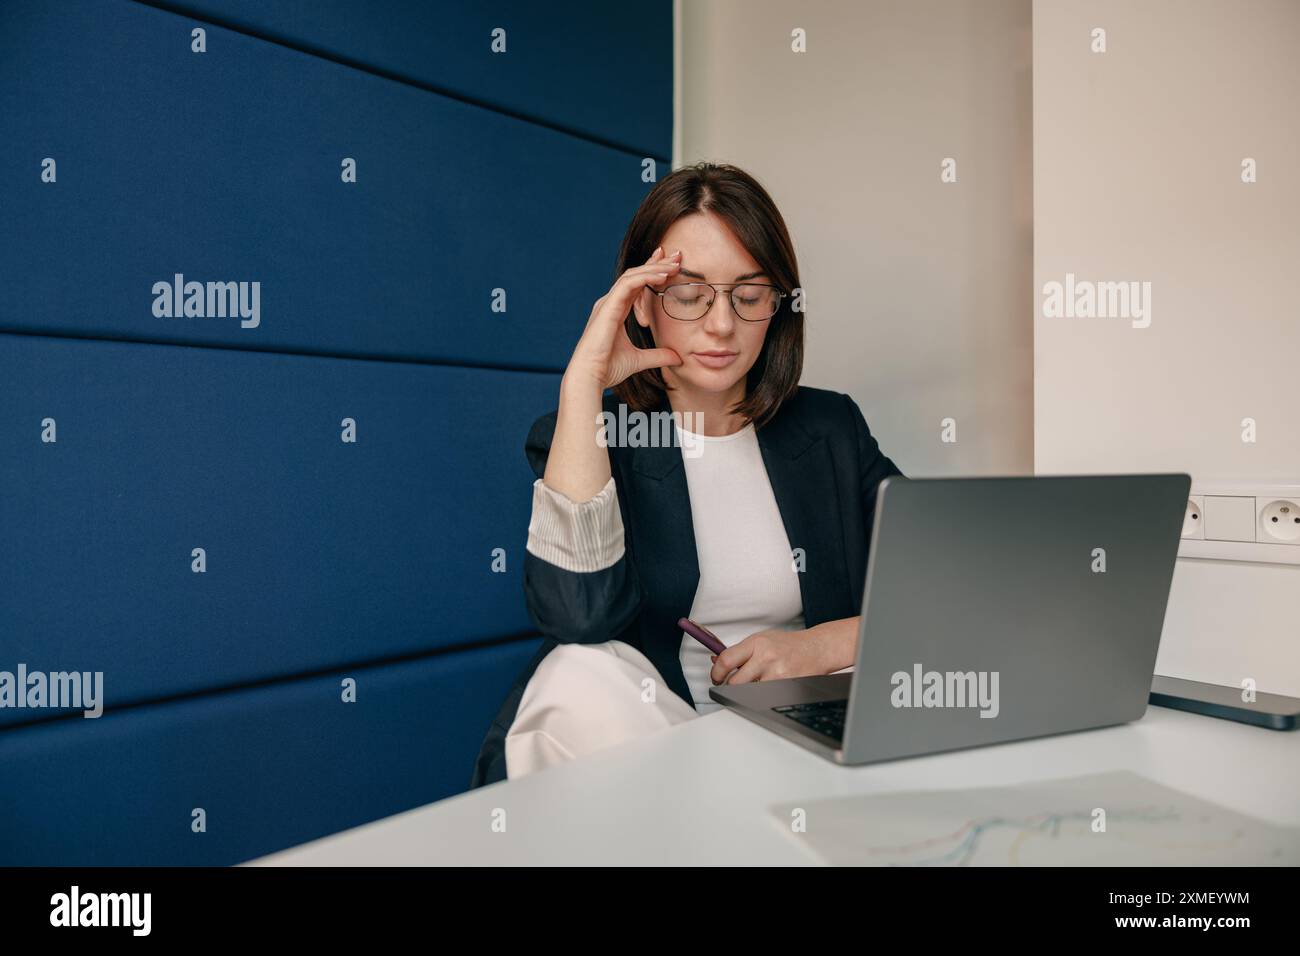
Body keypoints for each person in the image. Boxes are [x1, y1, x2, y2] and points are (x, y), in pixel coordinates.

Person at [470, 162, 903, 786]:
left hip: (798, 738)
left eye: (748, 296)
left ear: (778, 307)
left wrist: (820, 647)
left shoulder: (830, 428)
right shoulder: (595, 435)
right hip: (656, 746)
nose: (722, 324)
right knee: (575, 673)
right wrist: (584, 385)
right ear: (643, 303)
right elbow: (577, 618)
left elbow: (937, 592)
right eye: (689, 294)